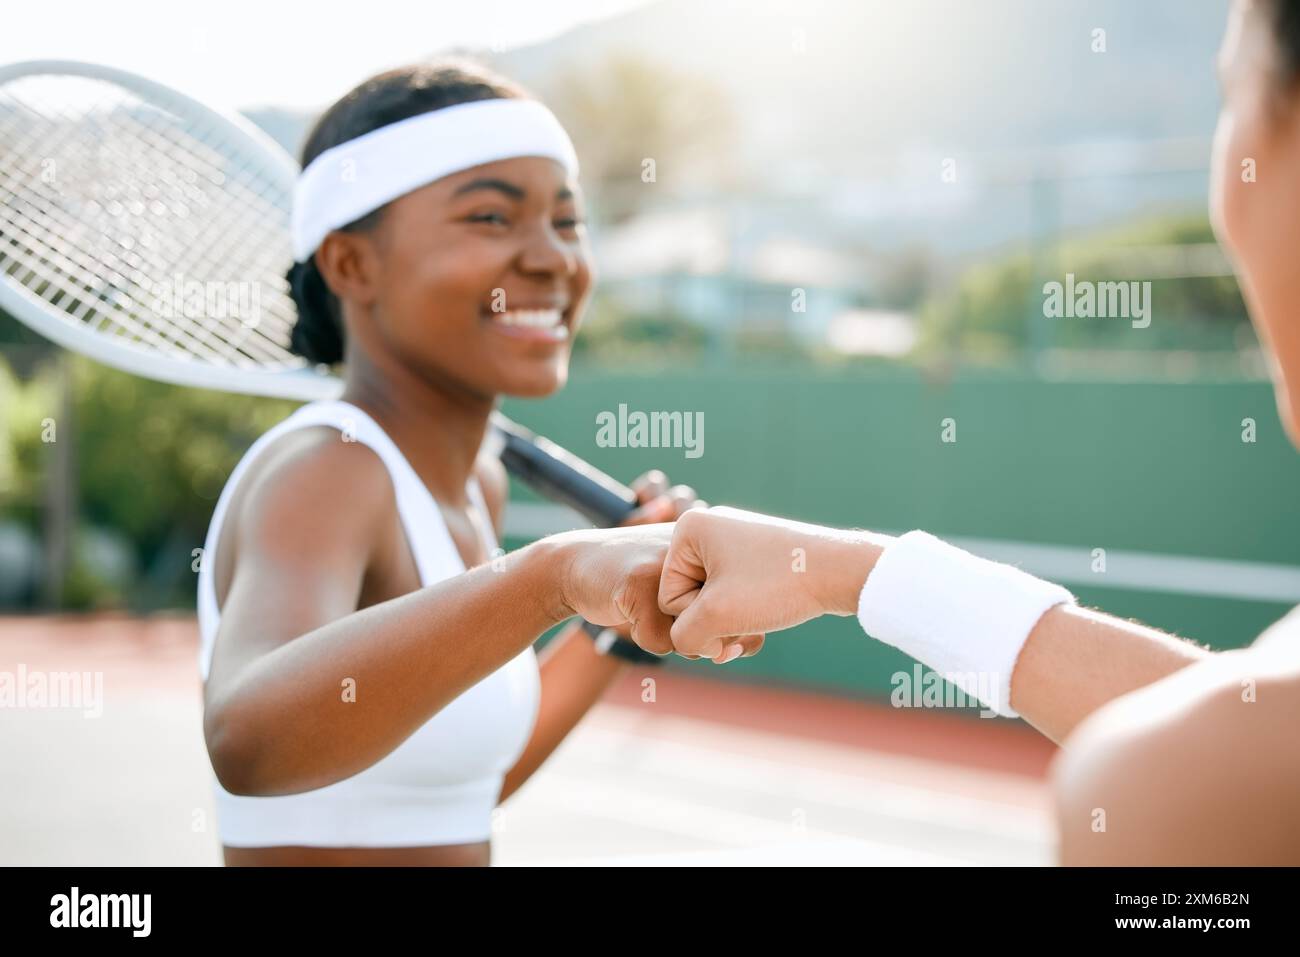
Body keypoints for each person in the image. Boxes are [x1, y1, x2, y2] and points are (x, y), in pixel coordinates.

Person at [653, 0, 1300, 865]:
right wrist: (852, 572)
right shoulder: (1219, 759)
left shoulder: (1155, 794)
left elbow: (1224, 760)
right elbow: (1252, 726)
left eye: (1230, 96)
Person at [197, 59, 695, 867]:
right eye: (493, 219)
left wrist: (618, 630)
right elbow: (249, 739)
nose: (551, 260)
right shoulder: (329, 468)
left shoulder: (474, 484)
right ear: (352, 265)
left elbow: (453, 792)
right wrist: (553, 576)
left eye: (567, 222)